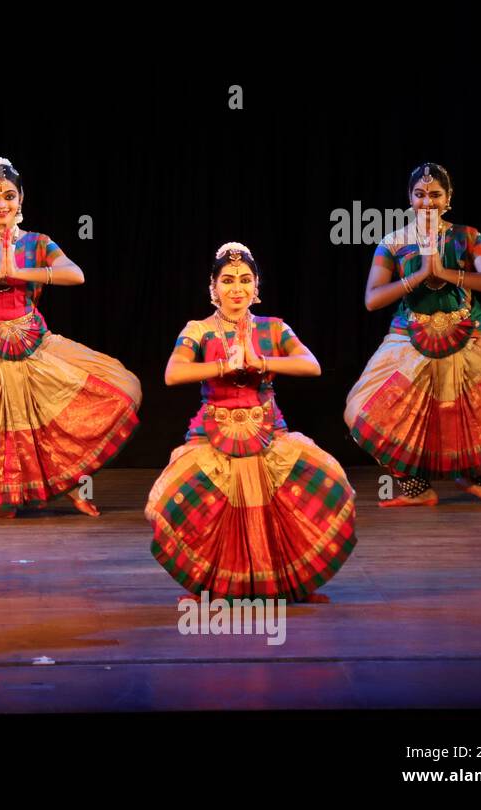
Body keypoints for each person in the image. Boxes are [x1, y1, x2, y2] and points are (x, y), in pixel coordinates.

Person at [0, 157, 141, 521]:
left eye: (8, 195)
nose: (0, 203)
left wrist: (19, 271)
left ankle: (68, 488)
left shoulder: (39, 243)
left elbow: (75, 274)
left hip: (34, 342)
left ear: (21, 199)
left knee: (114, 390)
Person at [145, 242, 356, 602]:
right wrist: (221, 367)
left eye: (245, 279)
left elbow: (311, 364)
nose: (236, 288)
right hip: (212, 433)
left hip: (266, 431)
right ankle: (211, 587)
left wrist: (262, 362)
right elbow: (173, 373)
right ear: (213, 288)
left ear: (256, 287)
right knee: (195, 506)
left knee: (302, 497)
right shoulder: (198, 329)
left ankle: (286, 586)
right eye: (227, 280)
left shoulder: (273, 328)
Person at [345, 163, 481, 506]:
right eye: (420, 194)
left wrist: (447, 273)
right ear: (409, 198)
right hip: (409, 334)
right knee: (369, 411)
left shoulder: (468, 236)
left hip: (468, 330)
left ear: (449, 198)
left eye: (435, 194)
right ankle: (417, 490)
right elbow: (372, 298)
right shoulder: (393, 242)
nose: (428, 202)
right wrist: (420, 274)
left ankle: (473, 479)